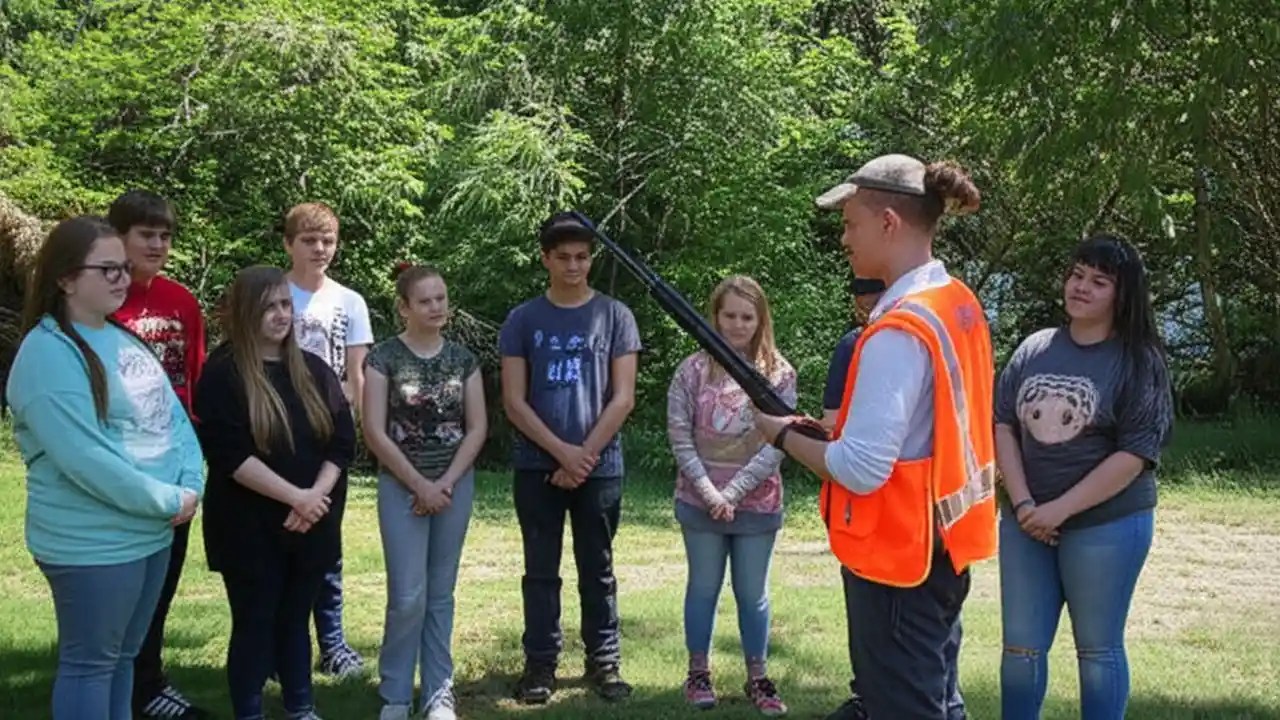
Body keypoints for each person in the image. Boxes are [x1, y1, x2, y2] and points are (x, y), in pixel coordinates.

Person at [753, 153, 995, 720]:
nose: (844, 238)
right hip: (945, 545)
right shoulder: (957, 305)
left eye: (851, 222)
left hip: (898, 559)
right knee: (939, 700)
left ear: (889, 222)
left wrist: (781, 436)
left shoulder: (898, 328)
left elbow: (862, 467)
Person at [6, 216, 204, 720]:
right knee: (90, 665)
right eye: (107, 268)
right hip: (95, 544)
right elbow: (86, 460)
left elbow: (175, 422)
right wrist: (167, 500)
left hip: (151, 533)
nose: (122, 277)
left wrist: (191, 482)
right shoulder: (48, 353)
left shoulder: (122, 340)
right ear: (66, 278)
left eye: (123, 267)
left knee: (123, 659)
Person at [994, 234, 1173, 720]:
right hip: (1026, 522)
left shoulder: (1140, 360)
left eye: (1098, 281)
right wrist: (1026, 504)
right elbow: (1003, 424)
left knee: (1097, 652)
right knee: (1020, 652)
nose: (1081, 287)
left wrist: (1058, 510)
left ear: (1123, 294)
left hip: (1107, 525)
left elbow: (1134, 455)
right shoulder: (1035, 347)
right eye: (1076, 275)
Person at [194, 265, 355, 720]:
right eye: (269, 307)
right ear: (246, 312)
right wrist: (295, 498)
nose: (281, 315)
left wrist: (314, 498)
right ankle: (249, 713)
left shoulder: (315, 371)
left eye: (286, 304)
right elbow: (229, 454)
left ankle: (300, 708)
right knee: (255, 622)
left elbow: (343, 443)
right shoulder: (224, 374)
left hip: (311, 522)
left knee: (295, 620)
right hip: (249, 526)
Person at [499, 211, 642, 704]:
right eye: (563, 257)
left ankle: (604, 662)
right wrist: (563, 453)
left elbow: (622, 397)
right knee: (540, 570)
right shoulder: (522, 319)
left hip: (600, 468)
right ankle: (540, 664)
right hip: (537, 466)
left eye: (582, 257)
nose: (574, 266)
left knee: (597, 568)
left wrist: (585, 455)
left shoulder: (616, 315)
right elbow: (514, 401)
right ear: (546, 259)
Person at [666, 275, 796, 716]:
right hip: (699, 499)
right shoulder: (691, 371)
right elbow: (680, 435)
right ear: (715, 317)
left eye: (747, 316)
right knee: (703, 587)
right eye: (729, 315)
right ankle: (698, 671)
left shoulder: (780, 373)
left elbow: (781, 442)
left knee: (751, 592)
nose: (738, 325)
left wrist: (734, 493)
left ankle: (758, 676)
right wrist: (707, 490)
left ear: (760, 320)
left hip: (757, 504)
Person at [363, 264, 487, 720]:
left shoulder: (463, 360)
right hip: (401, 488)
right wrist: (419, 485)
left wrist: (445, 483)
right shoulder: (382, 358)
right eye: (425, 300)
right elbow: (374, 431)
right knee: (407, 594)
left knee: (440, 593)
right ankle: (395, 692)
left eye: (441, 299)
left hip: (453, 487)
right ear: (404, 307)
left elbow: (477, 429)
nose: (436, 307)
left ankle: (439, 691)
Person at [107, 189, 210, 720]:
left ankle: (148, 683)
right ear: (117, 237)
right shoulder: (98, 300)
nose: (158, 244)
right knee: (119, 583)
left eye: (166, 236)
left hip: (174, 462)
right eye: (146, 234)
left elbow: (192, 382)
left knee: (162, 584)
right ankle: (111, 682)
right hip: (119, 464)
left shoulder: (181, 302)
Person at [281, 202, 372, 676]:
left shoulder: (349, 301)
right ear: (288, 244)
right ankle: (280, 643)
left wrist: (355, 431)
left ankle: (332, 643)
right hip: (277, 437)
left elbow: (357, 375)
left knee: (327, 546)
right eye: (309, 241)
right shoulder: (272, 295)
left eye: (328, 241)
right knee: (280, 543)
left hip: (328, 440)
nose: (320, 250)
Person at [821, 278, 886, 433]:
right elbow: (832, 413)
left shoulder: (910, 340)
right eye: (865, 308)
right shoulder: (850, 345)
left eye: (875, 307)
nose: (871, 315)